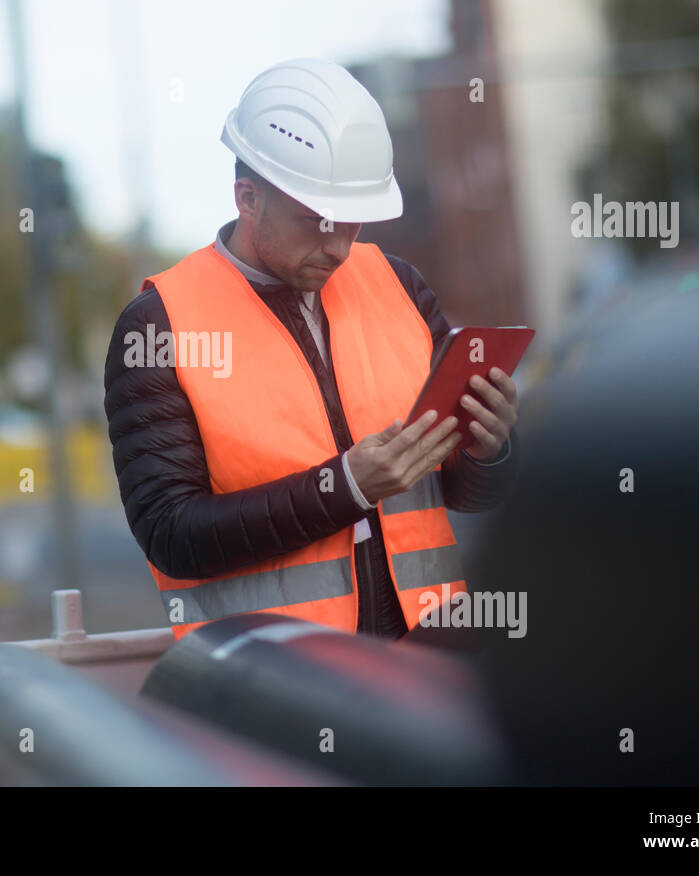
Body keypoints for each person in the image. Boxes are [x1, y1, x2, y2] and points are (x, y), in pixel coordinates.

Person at [103, 58, 522, 641]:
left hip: (435, 658)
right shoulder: (160, 326)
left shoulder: (398, 285)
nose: (340, 247)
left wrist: (491, 447)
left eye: (354, 221)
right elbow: (172, 535)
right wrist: (343, 488)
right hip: (278, 682)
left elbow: (468, 494)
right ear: (248, 198)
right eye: (317, 221)